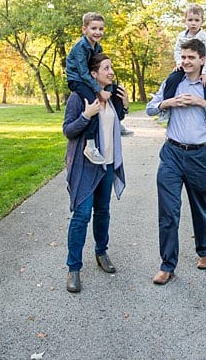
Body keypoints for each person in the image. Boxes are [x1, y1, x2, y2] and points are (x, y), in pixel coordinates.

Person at [145, 38, 206, 285]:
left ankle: (205, 251)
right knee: (168, 211)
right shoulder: (172, 81)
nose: (186, 61)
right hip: (171, 153)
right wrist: (169, 102)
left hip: (198, 156)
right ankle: (167, 265)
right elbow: (150, 109)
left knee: (199, 207)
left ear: (202, 60)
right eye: (183, 57)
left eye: (191, 57)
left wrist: (202, 103)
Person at [63, 53, 129, 293]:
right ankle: (74, 268)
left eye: (111, 67)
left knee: (103, 212)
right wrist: (86, 116)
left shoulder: (110, 95)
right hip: (86, 166)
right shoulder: (78, 97)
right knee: (81, 215)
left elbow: (115, 121)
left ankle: (101, 252)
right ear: (93, 74)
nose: (111, 72)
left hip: (107, 164)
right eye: (106, 68)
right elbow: (68, 130)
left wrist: (125, 104)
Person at [65, 13, 132, 162]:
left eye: (101, 29)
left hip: (89, 78)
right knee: (94, 104)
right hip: (77, 80)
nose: (98, 32)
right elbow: (84, 72)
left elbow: (97, 63)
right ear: (84, 29)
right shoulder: (80, 47)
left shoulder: (97, 47)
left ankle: (117, 124)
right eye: (94, 28)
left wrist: (108, 89)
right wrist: (99, 90)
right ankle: (90, 145)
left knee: (114, 89)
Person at [158, 5, 206, 124]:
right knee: (171, 80)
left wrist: (205, 72)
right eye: (190, 20)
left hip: (203, 66)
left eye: (197, 20)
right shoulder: (181, 36)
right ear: (185, 21)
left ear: (202, 21)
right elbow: (177, 50)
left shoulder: (204, 37)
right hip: (184, 64)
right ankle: (166, 109)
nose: (193, 23)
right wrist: (179, 63)